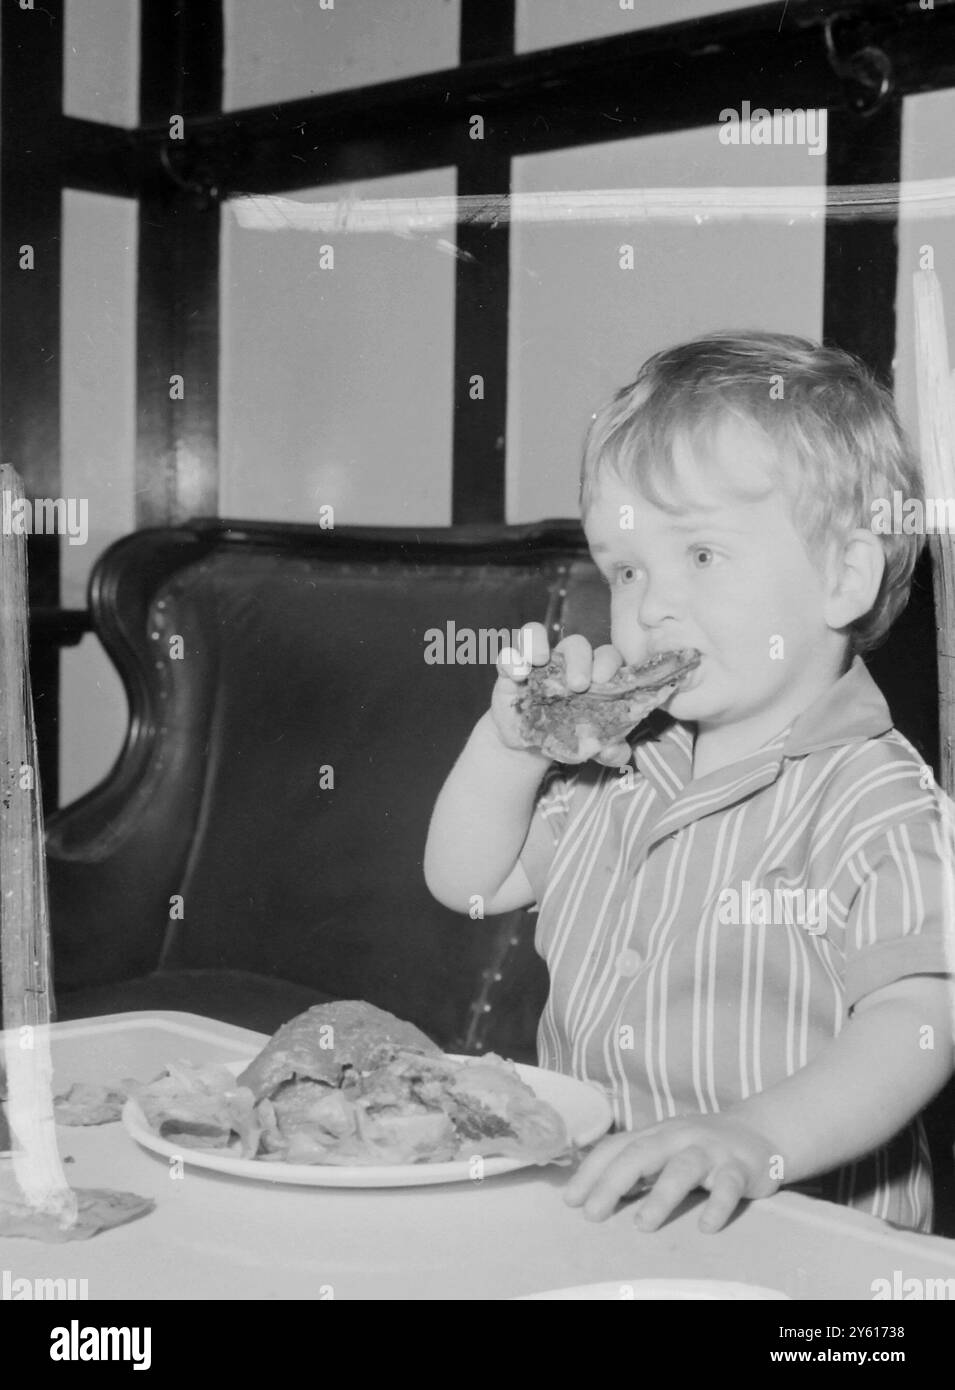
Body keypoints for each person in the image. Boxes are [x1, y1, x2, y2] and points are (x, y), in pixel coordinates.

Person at [424, 332, 955, 1234]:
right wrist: (509, 747)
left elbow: (917, 1021)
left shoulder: (874, 798)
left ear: (843, 577)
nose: (650, 604)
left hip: (805, 1236)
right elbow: (468, 883)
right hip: (601, 1207)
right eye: (626, 569)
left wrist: (753, 1137)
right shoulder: (619, 761)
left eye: (701, 556)